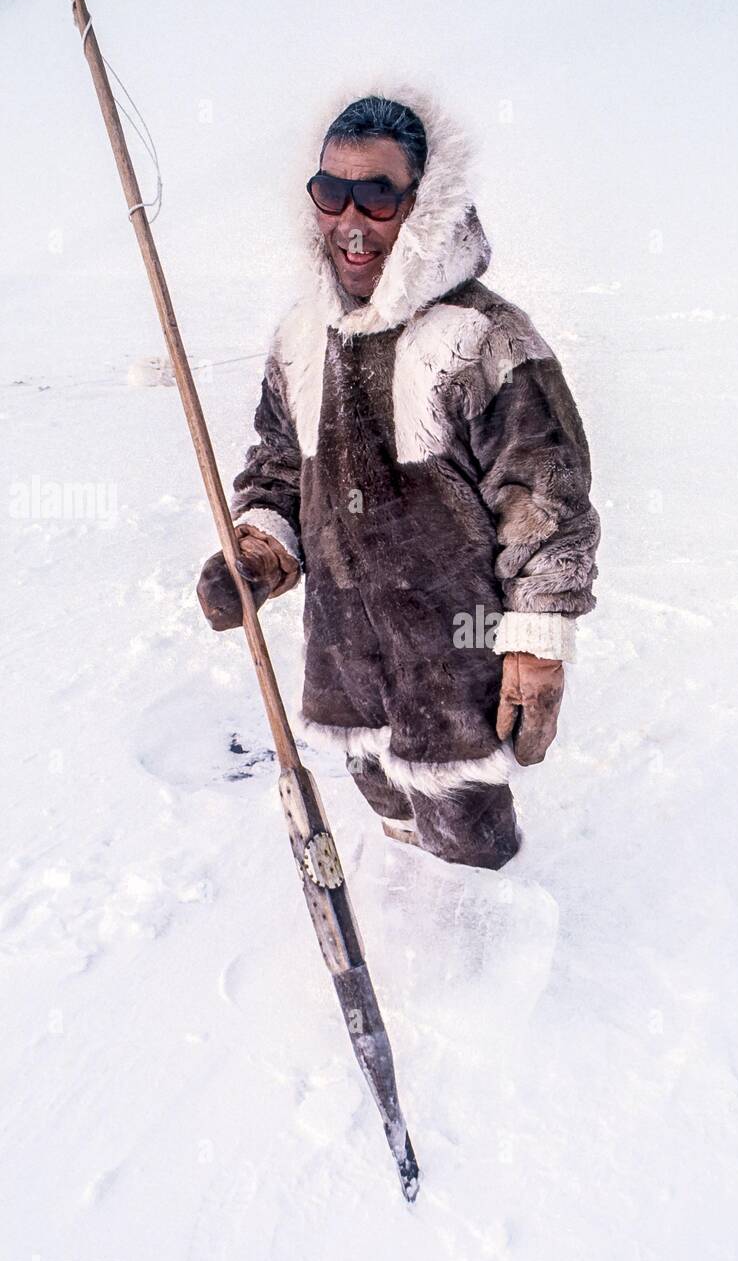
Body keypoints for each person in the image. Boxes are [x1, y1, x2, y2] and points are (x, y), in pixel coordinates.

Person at [197, 84, 600, 872]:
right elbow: (280, 462)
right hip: (343, 647)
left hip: (454, 654)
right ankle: (412, 911)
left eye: (377, 197)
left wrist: (537, 644)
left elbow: (544, 499)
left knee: (467, 832)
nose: (350, 221)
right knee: (384, 804)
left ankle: (497, 952)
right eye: (331, 193)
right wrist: (262, 544)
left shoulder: (484, 336)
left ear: (423, 204)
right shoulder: (299, 336)